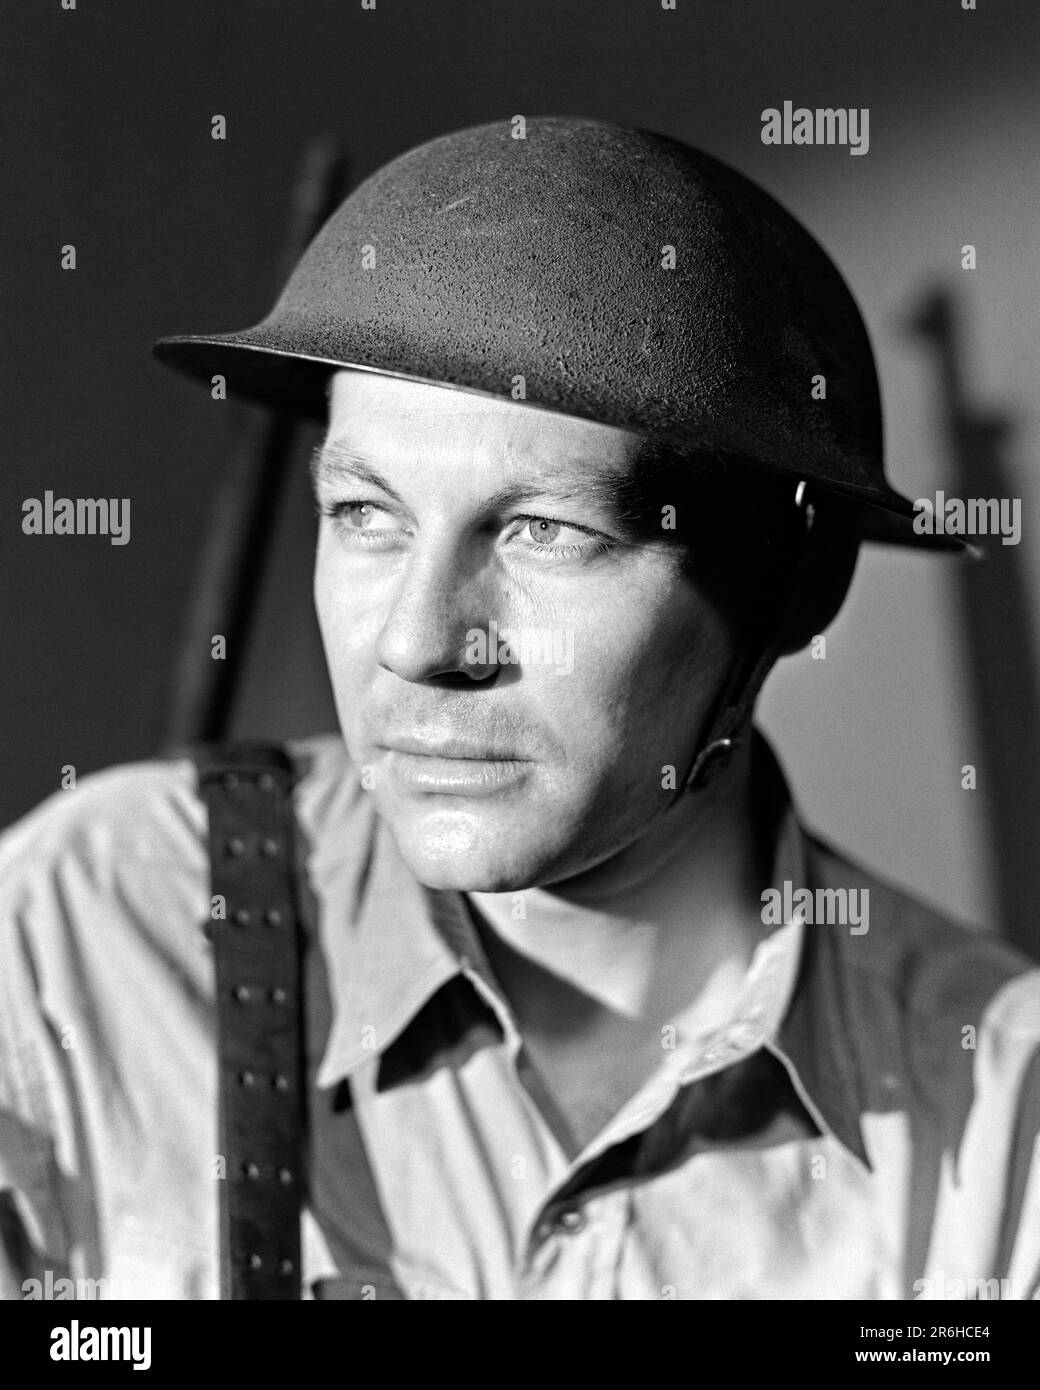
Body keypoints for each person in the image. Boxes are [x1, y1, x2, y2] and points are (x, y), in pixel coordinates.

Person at [2, 117, 1037, 1302]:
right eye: (365, 515)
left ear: (786, 595)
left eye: (548, 531)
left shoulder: (996, 1131)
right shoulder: (76, 939)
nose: (416, 642)